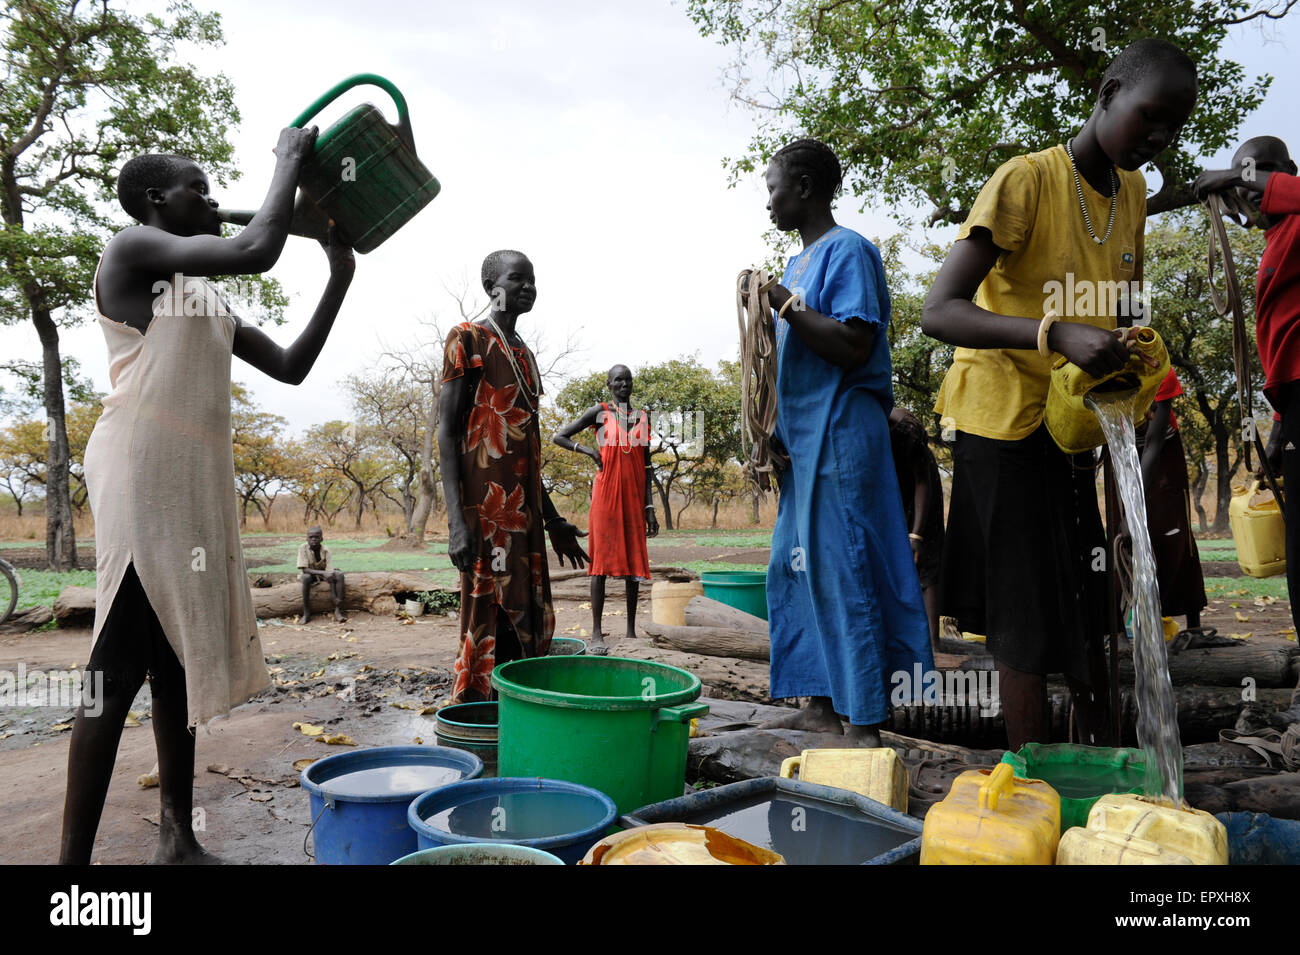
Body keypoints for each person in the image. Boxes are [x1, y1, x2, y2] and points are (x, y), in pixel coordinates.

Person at [62, 127, 356, 864]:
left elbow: (290, 366)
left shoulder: (205, 301)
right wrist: (288, 157)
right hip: (140, 468)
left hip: (189, 482)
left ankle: (178, 839)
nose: (213, 197)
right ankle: (69, 873)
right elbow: (257, 244)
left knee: (176, 659)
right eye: (198, 186)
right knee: (117, 663)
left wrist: (338, 277)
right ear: (155, 199)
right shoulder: (131, 251)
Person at [923, 38, 1198, 750]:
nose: (1159, 137)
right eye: (1150, 117)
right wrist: (1056, 332)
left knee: (1089, 600)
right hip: (1005, 425)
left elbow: (1125, 305)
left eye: (1174, 128)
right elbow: (940, 310)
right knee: (1024, 615)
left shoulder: (1132, 190)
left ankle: (1100, 760)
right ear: (1108, 94)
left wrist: (1139, 378)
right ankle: (1032, 786)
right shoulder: (1026, 181)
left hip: (1076, 424)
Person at [745, 137, 933, 746]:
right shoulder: (797, 265)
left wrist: (784, 302)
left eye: (773, 187)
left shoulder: (848, 250)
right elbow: (793, 364)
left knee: (845, 569)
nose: (768, 201)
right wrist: (773, 434)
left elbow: (853, 345)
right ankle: (821, 704)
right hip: (802, 443)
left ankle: (866, 722)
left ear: (803, 187)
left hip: (843, 435)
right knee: (791, 569)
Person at [438, 250, 590, 704]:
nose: (528, 287)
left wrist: (554, 520)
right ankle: (479, 709)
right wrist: (455, 523)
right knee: (489, 603)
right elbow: (446, 432)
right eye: (517, 279)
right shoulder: (467, 338)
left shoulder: (524, 355)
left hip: (522, 513)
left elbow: (528, 453)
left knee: (524, 609)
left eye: (533, 280)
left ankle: (517, 710)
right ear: (493, 287)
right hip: (484, 508)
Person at [1195, 136, 1300, 634]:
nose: (1253, 187)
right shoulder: (1277, 237)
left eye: (1261, 173)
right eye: (1245, 175)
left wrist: (1234, 174)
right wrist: (1278, 427)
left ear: (1287, 171)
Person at [553, 365, 659, 654]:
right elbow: (559, 436)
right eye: (618, 380)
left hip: (635, 496)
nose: (624, 385)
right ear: (609, 384)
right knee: (599, 562)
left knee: (634, 561)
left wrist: (650, 507)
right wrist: (586, 450)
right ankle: (597, 633)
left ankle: (631, 631)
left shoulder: (641, 418)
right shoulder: (598, 412)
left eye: (628, 380)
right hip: (606, 494)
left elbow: (647, 466)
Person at [1138, 370, 1207, 633]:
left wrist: (1137, 502)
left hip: (1164, 452)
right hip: (1123, 450)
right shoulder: (1097, 367)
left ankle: (1194, 627)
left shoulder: (1157, 369)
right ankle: (1124, 629)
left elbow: (1154, 444)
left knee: (1174, 532)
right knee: (1128, 540)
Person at [888, 407, 945, 651]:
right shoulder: (860, 424)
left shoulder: (906, 430)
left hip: (922, 487)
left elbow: (922, 480)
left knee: (925, 561)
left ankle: (933, 644)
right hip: (893, 488)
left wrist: (916, 534)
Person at [297, 526, 346, 624]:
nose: (313, 539)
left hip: (323, 574)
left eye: (317, 537)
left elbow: (330, 573)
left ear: (321, 539)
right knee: (306, 578)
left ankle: (337, 609)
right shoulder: (303, 548)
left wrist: (333, 595)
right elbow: (305, 569)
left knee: (339, 574)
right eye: (311, 537)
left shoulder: (326, 550)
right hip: (310, 574)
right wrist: (323, 573)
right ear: (307, 539)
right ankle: (306, 612)